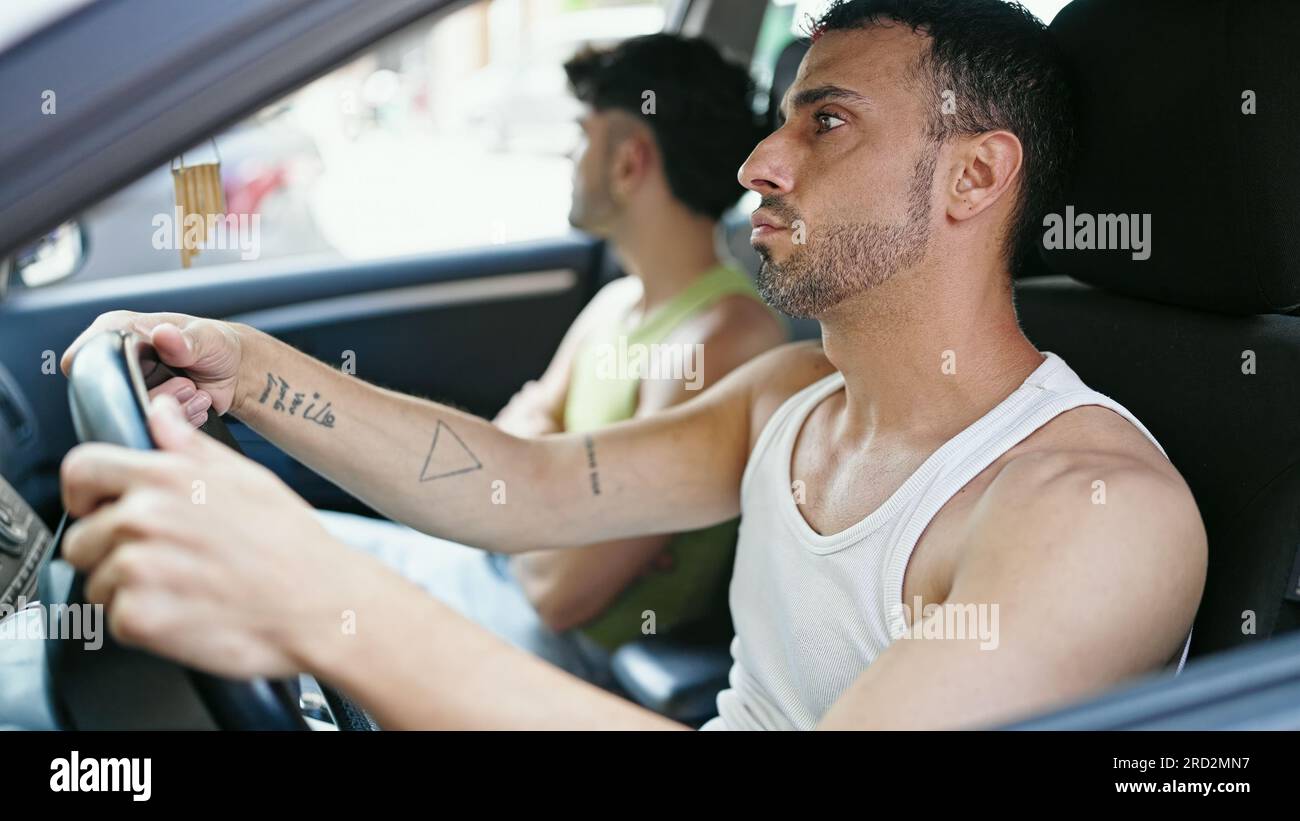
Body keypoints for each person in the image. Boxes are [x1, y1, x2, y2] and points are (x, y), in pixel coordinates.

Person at [58, 0, 1206, 730]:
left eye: (828, 122)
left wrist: (321, 595)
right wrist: (254, 369)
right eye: (778, 120)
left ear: (973, 178)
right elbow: (519, 486)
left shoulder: (1093, 513)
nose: (760, 161)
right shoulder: (793, 398)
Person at [312, 33, 785, 688]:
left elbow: (563, 591)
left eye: (582, 136)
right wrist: (542, 506)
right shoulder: (615, 306)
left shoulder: (721, 339)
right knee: (275, 536)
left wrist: (524, 486)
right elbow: (513, 448)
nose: (570, 155)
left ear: (628, 163)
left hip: (556, 651)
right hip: (489, 579)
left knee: (287, 577)